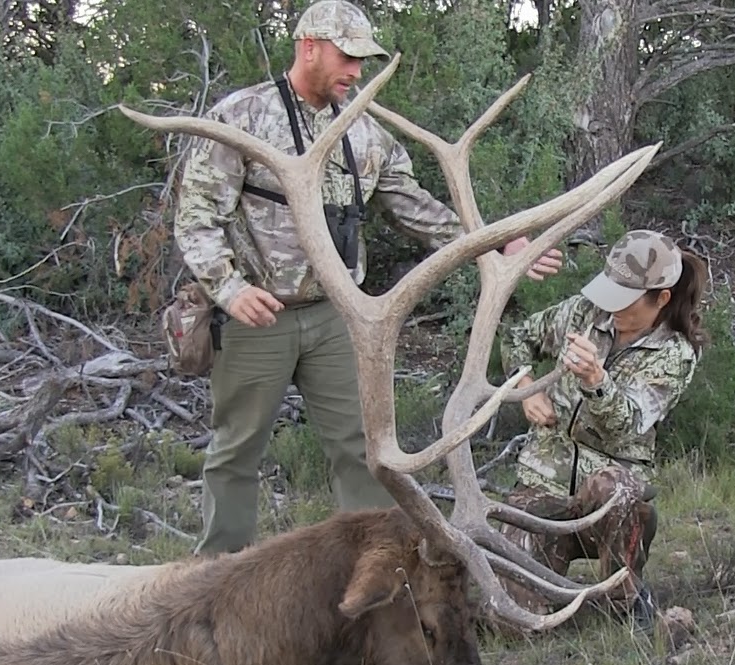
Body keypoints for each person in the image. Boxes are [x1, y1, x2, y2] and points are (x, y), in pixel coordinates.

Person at [173, 0, 560, 554]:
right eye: (348, 57)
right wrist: (230, 290)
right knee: (237, 452)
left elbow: (412, 206)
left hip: (339, 316)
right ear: (309, 47)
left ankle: (380, 576)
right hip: (260, 317)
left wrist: (494, 240)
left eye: (363, 60)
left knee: (364, 449)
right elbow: (196, 220)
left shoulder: (363, 130)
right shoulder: (241, 118)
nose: (357, 71)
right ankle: (214, 584)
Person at [498, 229, 710, 631]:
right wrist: (524, 387)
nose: (610, 308)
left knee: (616, 486)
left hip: (607, 503)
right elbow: (518, 336)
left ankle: (623, 599)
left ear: (661, 299)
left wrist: (597, 381)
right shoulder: (584, 311)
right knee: (515, 623)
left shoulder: (675, 354)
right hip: (543, 485)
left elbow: (627, 426)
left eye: (624, 299)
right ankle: (545, 590)